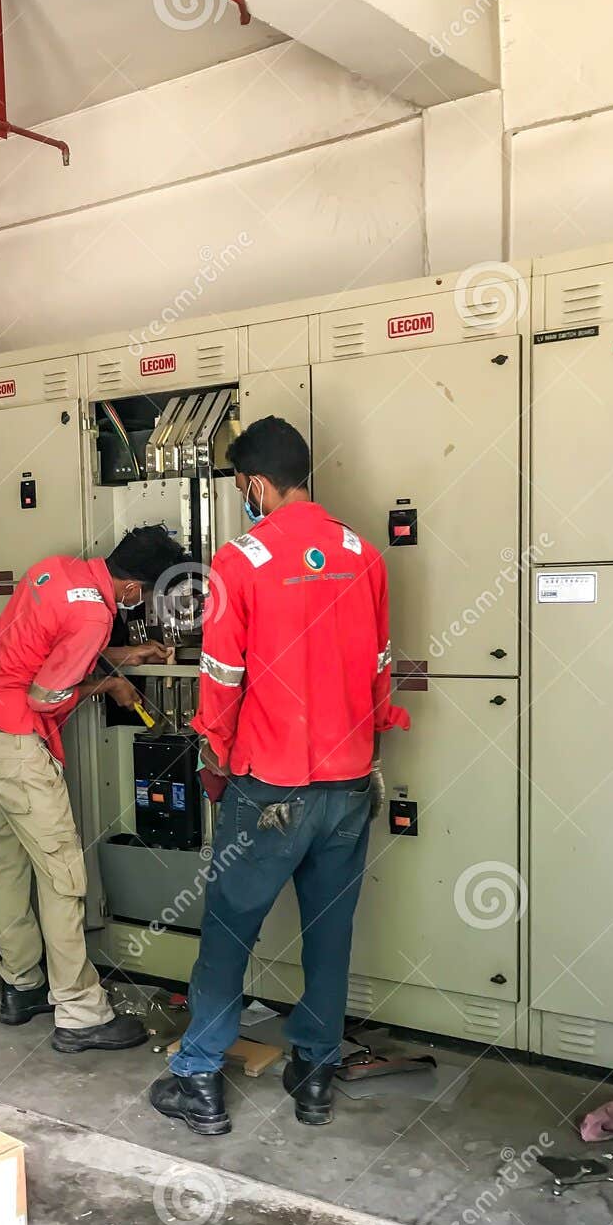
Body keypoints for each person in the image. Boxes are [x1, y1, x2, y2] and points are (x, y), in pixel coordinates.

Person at [148, 417, 410, 1135]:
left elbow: (221, 678)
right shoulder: (364, 555)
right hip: (349, 785)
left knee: (229, 930)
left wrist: (213, 757)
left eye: (242, 488)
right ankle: (316, 1075)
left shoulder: (241, 561)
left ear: (256, 484)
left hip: (269, 789)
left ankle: (198, 1077)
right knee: (330, 932)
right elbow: (380, 669)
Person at [0, 525, 188, 1054]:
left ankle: (21, 986)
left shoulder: (58, 569)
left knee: (8, 868)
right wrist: (108, 683)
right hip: (18, 746)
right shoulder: (96, 614)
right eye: (149, 594)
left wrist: (123, 656)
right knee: (64, 876)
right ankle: (80, 1013)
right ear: (133, 589)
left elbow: (52, 638)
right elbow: (46, 695)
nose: (143, 604)